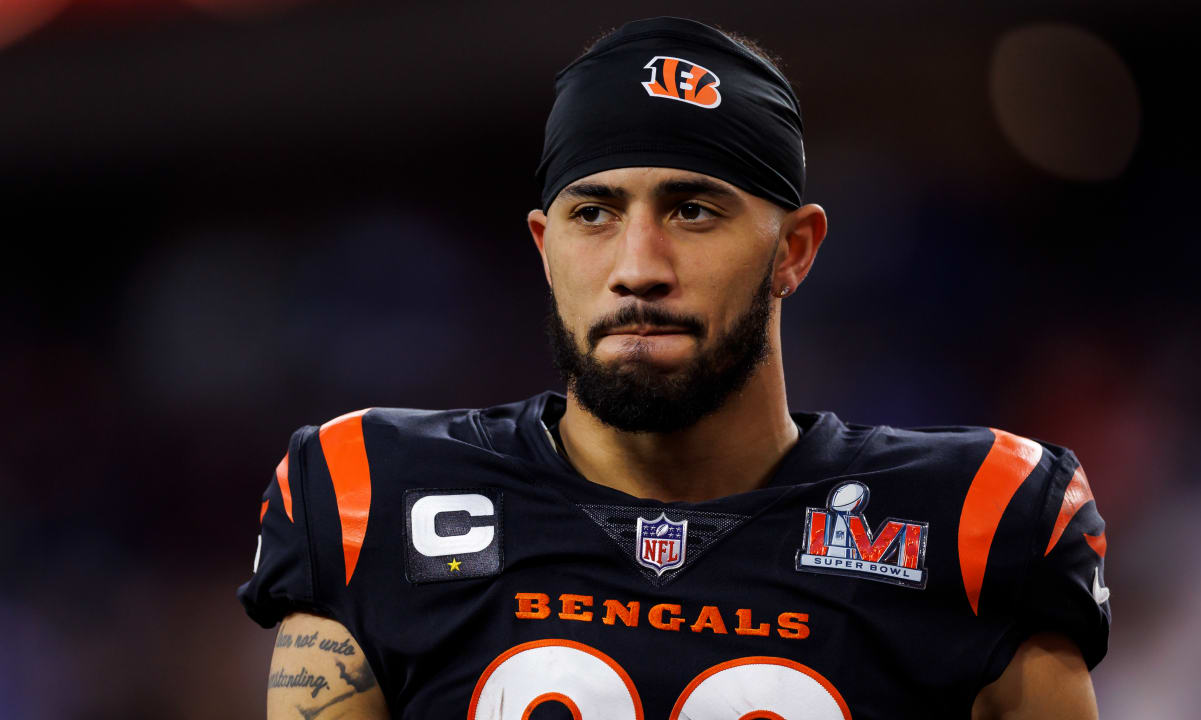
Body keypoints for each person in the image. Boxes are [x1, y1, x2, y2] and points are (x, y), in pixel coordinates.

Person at [240, 16, 1110, 719]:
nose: (638, 264)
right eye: (595, 212)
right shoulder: (365, 498)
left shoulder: (981, 523)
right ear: (546, 249)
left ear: (795, 252)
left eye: (693, 210)